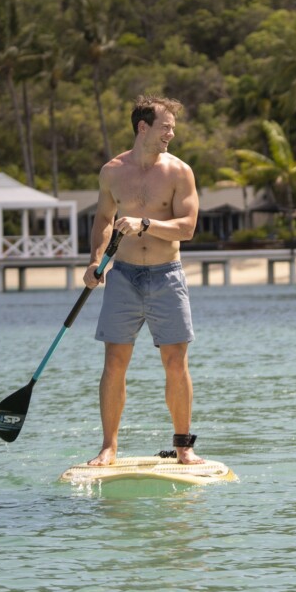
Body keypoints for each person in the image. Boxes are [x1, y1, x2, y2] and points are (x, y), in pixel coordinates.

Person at [85, 95, 203, 466]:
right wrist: (94, 261)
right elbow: (104, 219)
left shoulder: (179, 172)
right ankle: (109, 447)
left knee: (175, 362)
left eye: (172, 126)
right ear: (143, 127)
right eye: (165, 125)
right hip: (123, 277)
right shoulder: (112, 171)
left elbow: (187, 228)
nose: (172, 132)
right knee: (115, 362)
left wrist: (146, 224)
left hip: (167, 277)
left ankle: (183, 445)